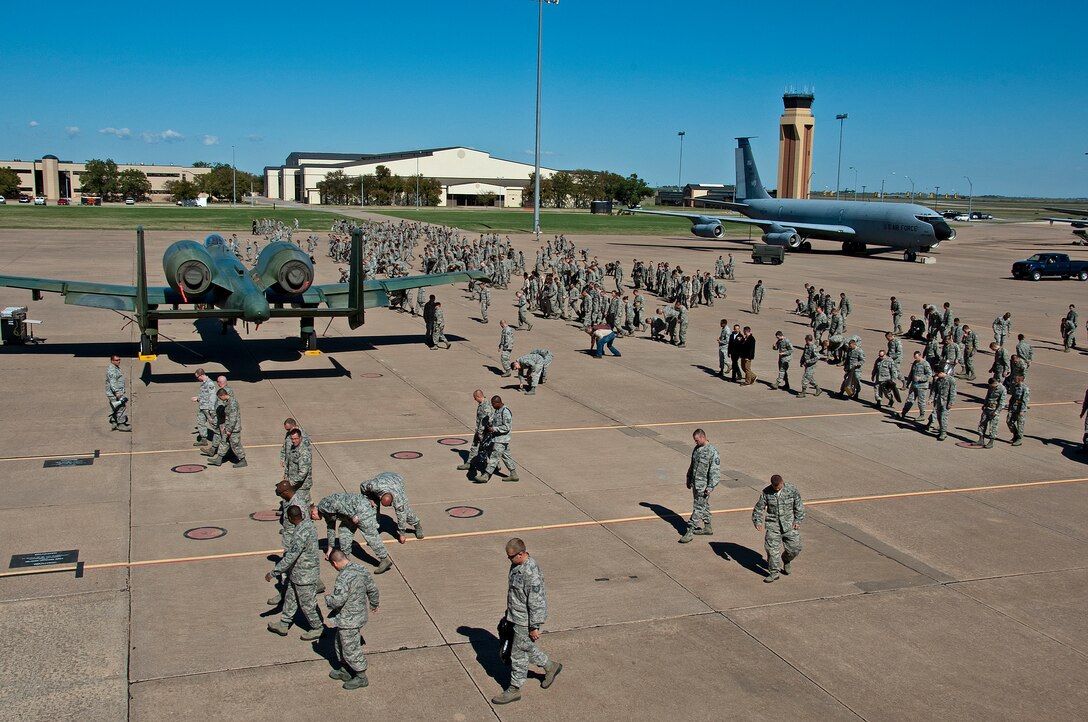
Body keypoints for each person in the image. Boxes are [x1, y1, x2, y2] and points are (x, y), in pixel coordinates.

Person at [491, 538, 562, 705]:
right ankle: (550, 666)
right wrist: (509, 612)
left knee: (517, 655)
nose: (509, 560)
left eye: (511, 557)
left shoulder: (531, 573)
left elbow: (537, 602)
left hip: (525, 620)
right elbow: (515, 593)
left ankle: (514, 688)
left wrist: (534, 626)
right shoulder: (516, 566)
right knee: (525, 647)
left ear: (521, 554)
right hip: (515, 615)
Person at [265, 505, 324, 640]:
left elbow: (290, 557)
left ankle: (318, 628)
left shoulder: (300, 533)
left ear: (290, 518)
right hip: (297, 574)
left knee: (307, 605)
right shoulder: (308, 524)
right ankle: (284, 623)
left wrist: (273, 572)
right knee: (290, 599)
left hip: (305, 576)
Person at [325, 549, 380, 690]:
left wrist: (328, 599)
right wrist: (374, 604)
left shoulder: (343, 577)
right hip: (358, 615)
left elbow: (338, 600)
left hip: (349, 619)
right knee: (339, 643)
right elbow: (372, 589)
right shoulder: (361, 569)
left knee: (351, 648)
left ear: (334, 563)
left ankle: (361, 676)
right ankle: (344, 669)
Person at [313, 492, 392, 574]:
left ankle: (384, 559)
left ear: (313, 513)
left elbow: (338, 505)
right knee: (344, 530)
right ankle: (344, 559)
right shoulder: (325, 511)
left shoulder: (323, 507)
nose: (315, 520)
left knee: (370, 534)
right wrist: (330, 549)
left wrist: (354, 516)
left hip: (361, 510)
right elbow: (331, 529)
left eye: (313, 519)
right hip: (352, 513)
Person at [752, 475, 804, 583]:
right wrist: (757, 521)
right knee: (771, 550)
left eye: (778, 487)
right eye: (774, 487)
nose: (776, 489)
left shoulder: (791, 490)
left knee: (795, 548)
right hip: (773, 525)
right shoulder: (766, 492)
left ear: (782, 483)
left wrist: (798, 520)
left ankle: (786, 559)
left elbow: (799, 506)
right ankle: (773, 573)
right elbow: (759, 508)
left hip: (789, 525)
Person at [679, 429, 721, 542]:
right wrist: (688, 478)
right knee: (703, 505)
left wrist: (710, 487)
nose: (695, 442)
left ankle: (690, 531)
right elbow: (692, 465)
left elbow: (715, 472)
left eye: (697, 440)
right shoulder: (697, 449)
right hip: (696, 484)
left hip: (704, 487)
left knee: (698, 508)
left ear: (703, 437)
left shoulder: (713, 452)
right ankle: (708, 527)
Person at [360, 471, 425, 541]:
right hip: (382, 478)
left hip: (397, 480)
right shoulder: (374, 486)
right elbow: (363, 485)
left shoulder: (398, 499)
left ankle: (417, 525)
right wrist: (368, 498)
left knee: (406, 512)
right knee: (372, 507)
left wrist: (402, 534)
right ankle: (374, 531)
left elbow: (401, 516)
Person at [476, 395, 518, 483]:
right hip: (498, 438)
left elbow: (507, 427)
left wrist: (494, 429)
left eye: (493, 404)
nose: (492, 406)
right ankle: (514, 474)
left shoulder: (505, 412)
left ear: (497, 402)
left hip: (502, 439)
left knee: (494, 457)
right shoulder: (498, 410)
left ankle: (486, 476)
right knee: (506, 456)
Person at [205, 388, 247, 467]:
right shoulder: (228, 402)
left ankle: (243, 460)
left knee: (235, 444)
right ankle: (219, 459)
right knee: (224, 442)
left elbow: (233, 418)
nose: (220, 399)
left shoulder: (232, 403)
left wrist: (229, 430)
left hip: (233, 429)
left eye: (220, 397)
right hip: (228, 427)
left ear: (223, 395)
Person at [458, 389, 491, 471]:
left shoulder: (486, 406)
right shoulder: (482, 404)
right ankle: (469, 463)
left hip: (484, 432)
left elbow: (485, 420)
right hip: (480, 431)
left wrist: (480, 432)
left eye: (475, 398)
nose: (474, 399)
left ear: (478, 396)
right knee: (475, 447)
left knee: (487, 448)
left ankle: (495, 464)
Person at [280, 427, 313, 507]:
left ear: (300, 438)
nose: (294, 441)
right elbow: (289, 464)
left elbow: (303, 472)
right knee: (293, 506)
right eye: (292, 439)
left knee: (302, 507)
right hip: (293, 484)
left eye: (296, 439)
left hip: (302, 486)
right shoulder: (293, 448)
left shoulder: (304, 452)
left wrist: (291, 483)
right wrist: (286, 476)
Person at [900, 351, 933, 421]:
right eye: (915, 358)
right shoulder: (915, 363)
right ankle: (903, 413)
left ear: (920, 356)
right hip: (914, 385)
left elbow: (929, 374)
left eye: (917, 357)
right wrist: (907, 383)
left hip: (922, 386)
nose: (916, 359)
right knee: (909, 399)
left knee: (921, 401)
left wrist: (920, 378)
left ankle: (922, 415)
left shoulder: (925, 364)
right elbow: (911, 373)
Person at [978, 377, 1008, 448]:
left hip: (994, 410)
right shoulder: (991, 387)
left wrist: (997, 411)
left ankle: (991, 442)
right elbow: (987, 396)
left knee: (993, 426)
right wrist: (984, 404)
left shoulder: (1002, 389)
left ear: (995, 383)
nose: (991, 387)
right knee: (982, 423)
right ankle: (981, 439)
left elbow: (1002, 402)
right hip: (987, 408)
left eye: (992, 385)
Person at [927, 369, 956, 441]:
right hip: (939, 401)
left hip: (946, 402)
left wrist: (951, 403)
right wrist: (931, 399)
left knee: (943, 418)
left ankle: (943, 433)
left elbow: (953, 392)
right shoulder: (938, 380)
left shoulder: (951, 380)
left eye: (937, 374)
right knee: (939, 417)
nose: (936, 376)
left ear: (941, 373)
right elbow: (934, 391)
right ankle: (941, 430)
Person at [191, 368, 216, 446]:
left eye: (197, 377)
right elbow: (204, 394)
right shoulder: (204, 383)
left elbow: (212, 396)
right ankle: (203, 439)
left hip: (208, 408)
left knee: (214, 424)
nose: (197, 379)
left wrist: (211, 408)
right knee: (200, 422)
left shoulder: (210, 383)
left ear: (201, 375)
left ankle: (222, 439)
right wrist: (198, 398)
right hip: (202, 407)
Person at [105, 354, 130, 432]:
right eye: (116, 360)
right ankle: (121, 424)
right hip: (114, 393)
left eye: (119, 360)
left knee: (115, 407)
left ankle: (114, 422)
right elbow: (113, 383)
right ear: (112, 361)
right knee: (121, 407)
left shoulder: (115, 368)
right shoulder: (112, 370)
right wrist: (118, 393)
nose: (118, 361)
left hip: (112, 393)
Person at [1006, 374, 1029, 446]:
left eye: (1015, 379)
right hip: (1013, 408)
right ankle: (1015, 434)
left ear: (1019, 380)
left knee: (1020, 424)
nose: (1014, 380)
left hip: (1020, 409)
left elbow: (1025, 400)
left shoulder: (1025, 388)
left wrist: (1022, 410)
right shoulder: (1015, 387)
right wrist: (1010, 406)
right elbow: (1012, 398)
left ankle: (1019, 439)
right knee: (1009, 421)